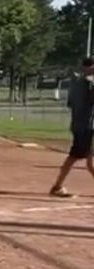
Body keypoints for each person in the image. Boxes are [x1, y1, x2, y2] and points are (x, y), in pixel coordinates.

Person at [49, 57, 94, 197]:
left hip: (81, 125)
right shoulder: (88, 83)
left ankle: (57, 186)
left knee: (90, 160)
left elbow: (70, 104)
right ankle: (57, 187)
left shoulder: (77, 83)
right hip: (85, 127)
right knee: (74, 157)